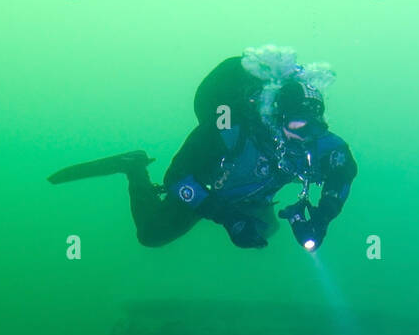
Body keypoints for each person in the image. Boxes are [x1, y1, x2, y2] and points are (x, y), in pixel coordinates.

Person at [49, 46, 357, 251]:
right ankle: (134, 166)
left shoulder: (318, 142)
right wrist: (227, 218)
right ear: (275, 117)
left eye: (314, 127)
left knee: (265, 232)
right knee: (151, 235)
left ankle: (242, 216)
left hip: (251, 193)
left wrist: (324, 216)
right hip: (210, 186)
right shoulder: (227, 129)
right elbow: (177, 179)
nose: (305, 137)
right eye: (297, 126)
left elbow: (343, 170)